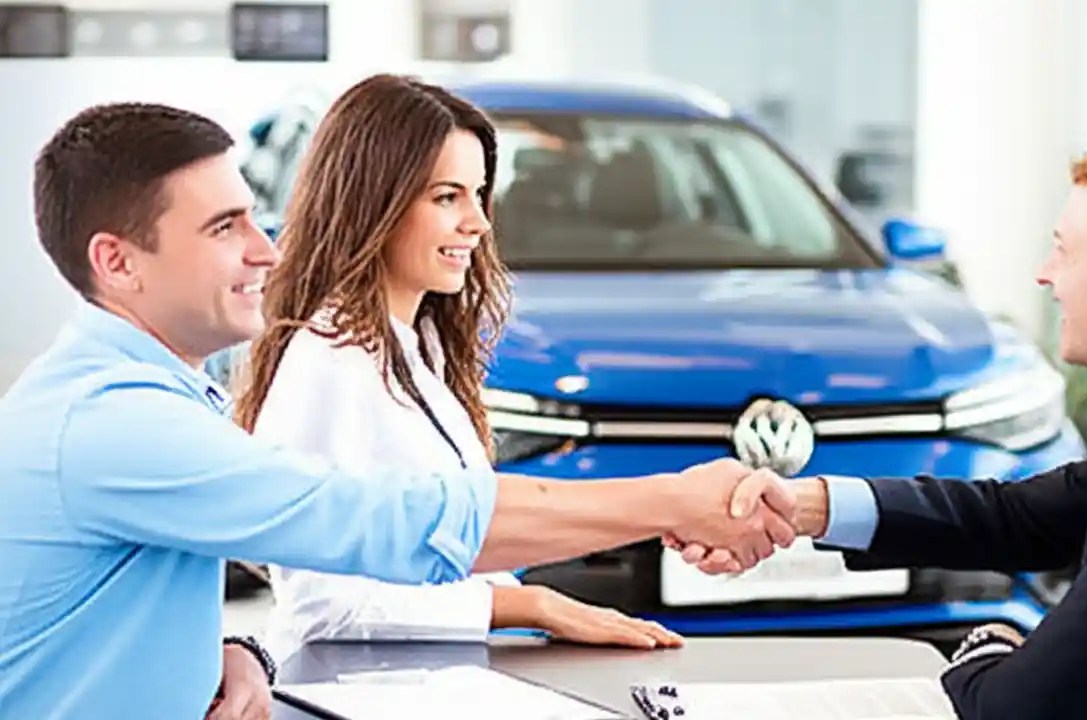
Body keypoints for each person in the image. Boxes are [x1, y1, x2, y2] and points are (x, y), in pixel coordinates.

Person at [0, 101, 795, 719]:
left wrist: (230, 650)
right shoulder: (111, 422)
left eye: (251, 215)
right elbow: (374, 524)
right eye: (224, 227)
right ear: (117, 262)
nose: (265, 249)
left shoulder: (141, 399)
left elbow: (105, 612)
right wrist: (670, 501)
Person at [675, 135, 1087, 719]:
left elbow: (1020, 708)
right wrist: (812, 507)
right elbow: (1024, 516)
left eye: (1064, 252)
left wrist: (985, 647)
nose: (1046, 276)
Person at [232, 74, 681, 663]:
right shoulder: (330, 359)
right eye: (447, 197)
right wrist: (533, 606)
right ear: (375, 204)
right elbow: (322, 606)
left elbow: (444, 557)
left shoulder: (418, 345)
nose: (479, 223)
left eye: (479, 194)